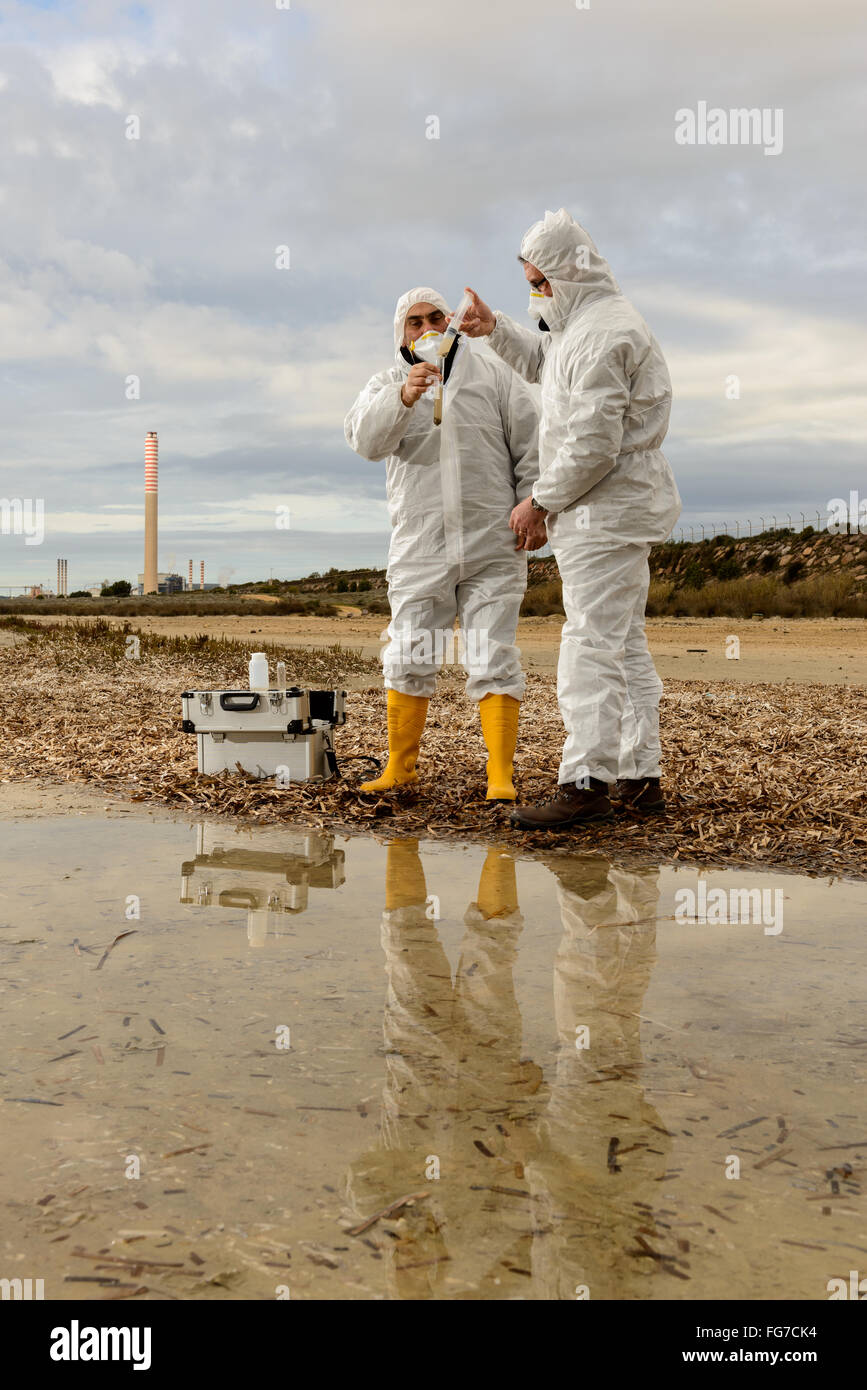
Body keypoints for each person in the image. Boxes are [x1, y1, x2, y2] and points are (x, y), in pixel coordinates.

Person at [461, 210, 682, 828]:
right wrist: (494, 328)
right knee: (622, 644)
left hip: (604, 510)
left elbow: (592, 443)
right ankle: (641, 777)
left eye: (540, 282)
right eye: (529, 284)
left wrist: (541, 501)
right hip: (611, 508)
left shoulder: (603, 333)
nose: (536, 294)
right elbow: (544, 363)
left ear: (567, 274)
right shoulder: (585, 325)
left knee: (588, 642)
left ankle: (585, 783)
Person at [345, 287, 544, 801]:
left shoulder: (494, 373)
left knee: (492, 652)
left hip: (493, 542)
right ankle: (400, 767)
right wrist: (404, 397)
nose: (427, 326)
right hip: (421, 543)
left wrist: (537, 507)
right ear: (402, 333)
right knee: (408, 650)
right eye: (415, 321)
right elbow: (365, 442)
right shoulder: (388, 383)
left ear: (453, 322)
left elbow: (530, 445)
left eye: (436, 316)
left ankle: (500, 774)